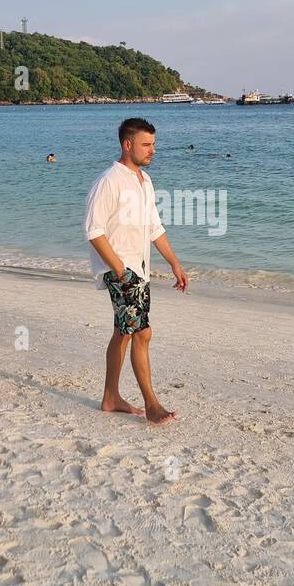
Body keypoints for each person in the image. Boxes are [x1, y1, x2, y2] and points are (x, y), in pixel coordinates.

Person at [84, 117, 189, 424]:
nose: (152, 150)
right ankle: (152, 404)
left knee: (124, 333)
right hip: (122, 272)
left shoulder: (144, 182)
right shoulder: (109, 180)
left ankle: (110, 397)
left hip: (139, 272)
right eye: (146, 144)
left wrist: (174, 263)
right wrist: (118, 269)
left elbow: (155, 228)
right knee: (142, 332)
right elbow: (94, 230)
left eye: (154, 144)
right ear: (127, 144)